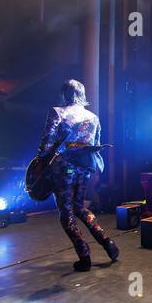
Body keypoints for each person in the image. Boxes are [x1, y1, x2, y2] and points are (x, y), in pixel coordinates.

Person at [37, 79, 119, 271]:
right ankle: (107, 242)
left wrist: (39, 163)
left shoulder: (57, 112)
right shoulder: (93, 117)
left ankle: (84, 256)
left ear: (65, 93)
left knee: (66, 214)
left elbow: (47, 142)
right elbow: (95, 144)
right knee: (79, 207)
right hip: (84, 168)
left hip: (64, 168)